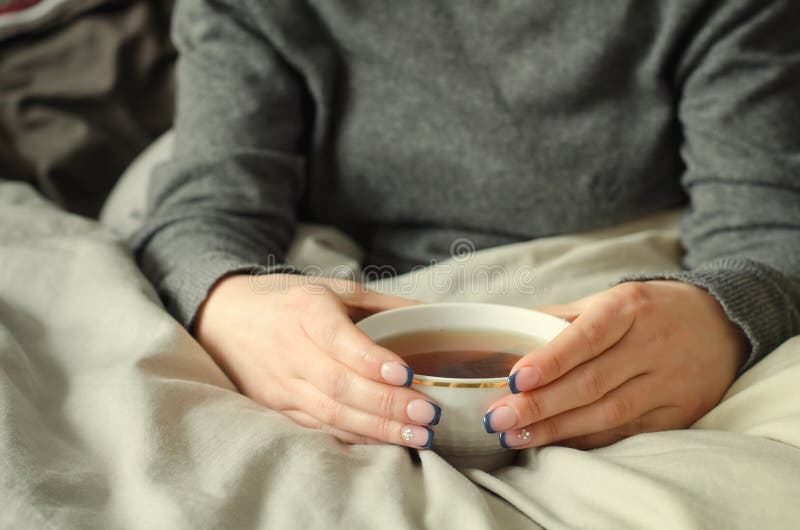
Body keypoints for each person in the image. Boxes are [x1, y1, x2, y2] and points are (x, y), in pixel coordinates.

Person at [132, 0, 800, 452]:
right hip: (350, 290)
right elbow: (203, 212)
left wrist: (717, 314)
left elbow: (768, 227)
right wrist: (234, 304)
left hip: (621, 293)